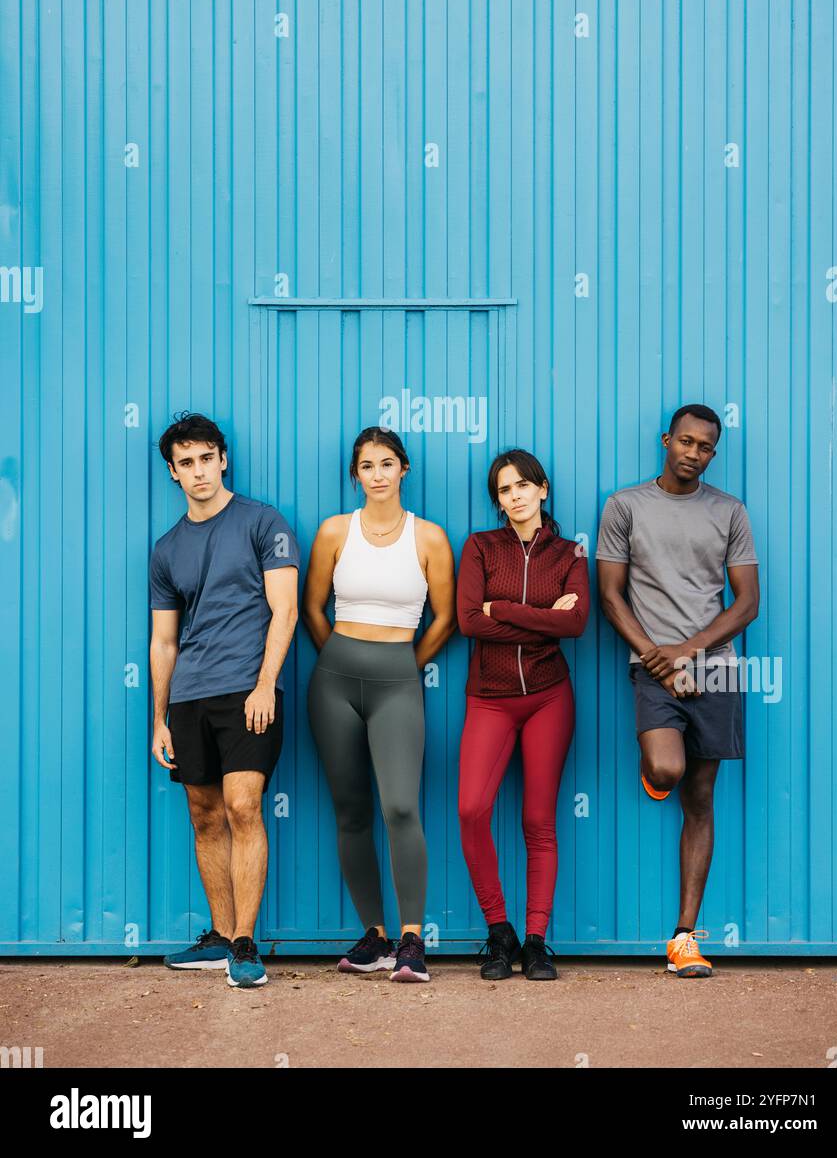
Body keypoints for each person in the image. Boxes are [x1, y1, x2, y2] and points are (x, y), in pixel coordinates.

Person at [596, 404, 760, 979]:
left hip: (715, 669)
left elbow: (746, 603)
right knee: (666, 771)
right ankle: (656, 772)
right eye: (685, 441)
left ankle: (684, 937)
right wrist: (658, 662)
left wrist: (687, 652)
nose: (693, 453)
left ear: (713, 452)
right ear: (667, 440)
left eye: (705, 447)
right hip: (652, 663)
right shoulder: (626, 505)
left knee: (700, 797)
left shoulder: (729, 511)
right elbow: (611, 596)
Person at [149, 412, 300, 988]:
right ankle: (216, 937)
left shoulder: (264, 522)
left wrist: (266, 684)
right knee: (204, 814)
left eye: (206, 458)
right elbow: (164, 642)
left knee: (243, 806)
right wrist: (158, 719)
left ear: (223, 459)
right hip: (189, 696)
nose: (198, 471)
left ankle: (244, 942)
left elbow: (283, 610)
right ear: (173, 473)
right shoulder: (165, 549)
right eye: (185, 463)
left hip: (248, 690)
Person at [302, 427, 456, 983]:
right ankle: (376, 936)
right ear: (356, 475)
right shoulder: (333, 532)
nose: (377, 474)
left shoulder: (430, 538)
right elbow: (313, 607)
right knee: (351, 811)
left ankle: (412, 940)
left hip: (397, 679)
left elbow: (446, 617)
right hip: (333, 682)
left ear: (404, 469)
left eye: (387, 463)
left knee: (400, 807)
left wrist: (407, 665)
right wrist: (337, 659)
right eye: (366, 466)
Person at [456, 449, 590, 981]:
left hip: (548, 697)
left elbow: (576, 623)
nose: (512, 496)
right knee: (471, 809)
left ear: (542, 488)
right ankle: (498, 932)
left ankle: (536, 940)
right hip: (489, 696)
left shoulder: (570, 554)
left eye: (521, 486)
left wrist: (504, 610)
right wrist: (542, 619)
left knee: (538, 821)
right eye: (503, 490)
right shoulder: (481, 547)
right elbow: (469, 620)